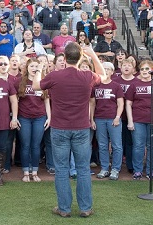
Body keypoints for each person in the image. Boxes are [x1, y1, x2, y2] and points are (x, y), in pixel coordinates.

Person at [33, 42, 101, 218]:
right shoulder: (87, 75)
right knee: (83, 168)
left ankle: (64, 208)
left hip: (60, 128)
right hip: (80, 128)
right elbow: (103, 75)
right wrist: (92, 54)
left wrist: (39, 66)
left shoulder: (56, 75)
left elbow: (35, 86)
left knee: (62, 169)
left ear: (64, 57)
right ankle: (85, 208)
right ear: (80, 58)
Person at [16, 58, 49, 182]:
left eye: (36, 66)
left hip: (39, 117)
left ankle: (34, 171)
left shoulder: (43, 82)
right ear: (27, 68)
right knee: (25, 145)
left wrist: (49, 117)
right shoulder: (20, 82)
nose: (34, 68)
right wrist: (15, 117)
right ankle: (26, 172)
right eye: (32, 66)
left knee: (36, 145)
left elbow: (46, 100)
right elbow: (15, 100)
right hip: (24, 118)